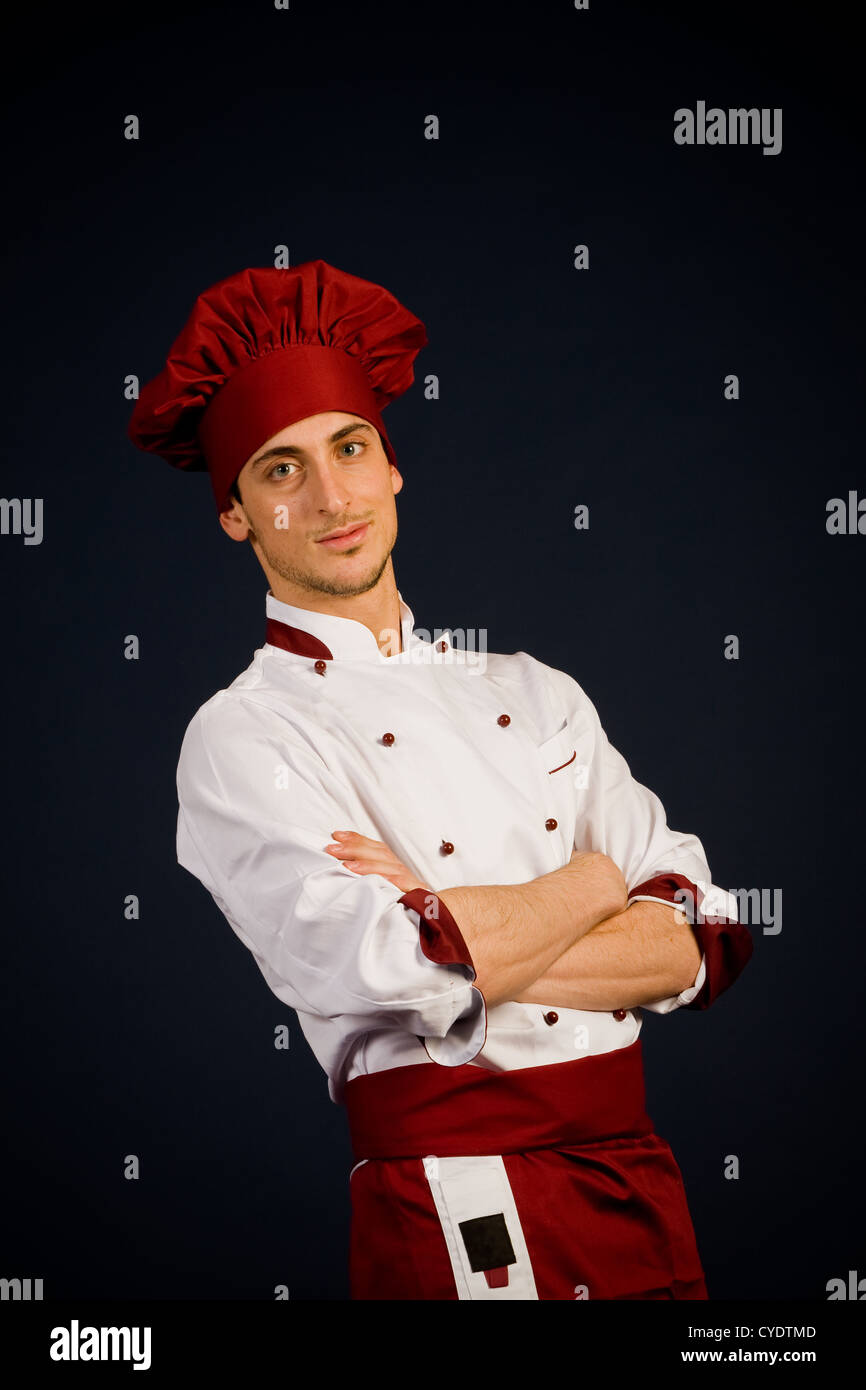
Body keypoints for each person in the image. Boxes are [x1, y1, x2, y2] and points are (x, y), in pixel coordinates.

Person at [128, 259, 753, 1300]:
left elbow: (706, 935)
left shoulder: (534, 688)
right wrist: (599, 884)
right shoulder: (242, 734)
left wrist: (453, 929)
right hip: (452, 1202)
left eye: (349, 448)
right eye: (280, 470)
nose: (330, 495)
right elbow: (385, 968)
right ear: (235, 513)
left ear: (391, 466)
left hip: (637, 1184)